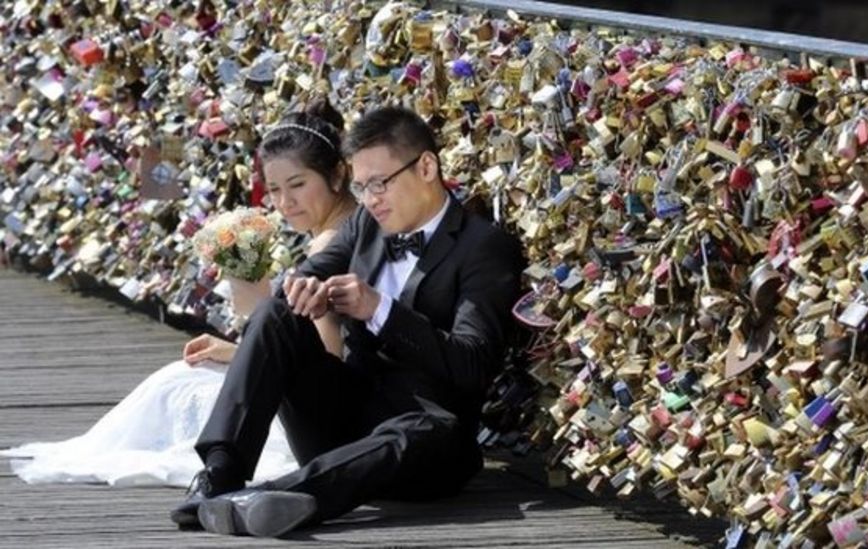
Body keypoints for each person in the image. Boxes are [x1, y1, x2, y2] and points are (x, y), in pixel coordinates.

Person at [171, 106, 525, 538]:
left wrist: (380, 309)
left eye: (380, 184)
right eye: (361, 187)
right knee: (277, 311)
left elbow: (473, 366)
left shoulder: (483, 247)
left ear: (427, 166)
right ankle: (220, 476)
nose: (371, 199)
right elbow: (316, 267)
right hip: (342, 419)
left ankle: (272, 498)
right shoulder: (365, 222)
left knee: (427, 429)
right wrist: (302, 285)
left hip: (424, 442)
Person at [0, 100, 357, 488]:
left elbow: (327, 355)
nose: (285, 203)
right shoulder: (346, 227)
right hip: (327, 387)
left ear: (337, 176)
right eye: (274, 190)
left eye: (298, 185)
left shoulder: (328, 246)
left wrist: (240, 352)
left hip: (324, 406)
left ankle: (221, 466)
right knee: (183, 379)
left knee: (178, 384)